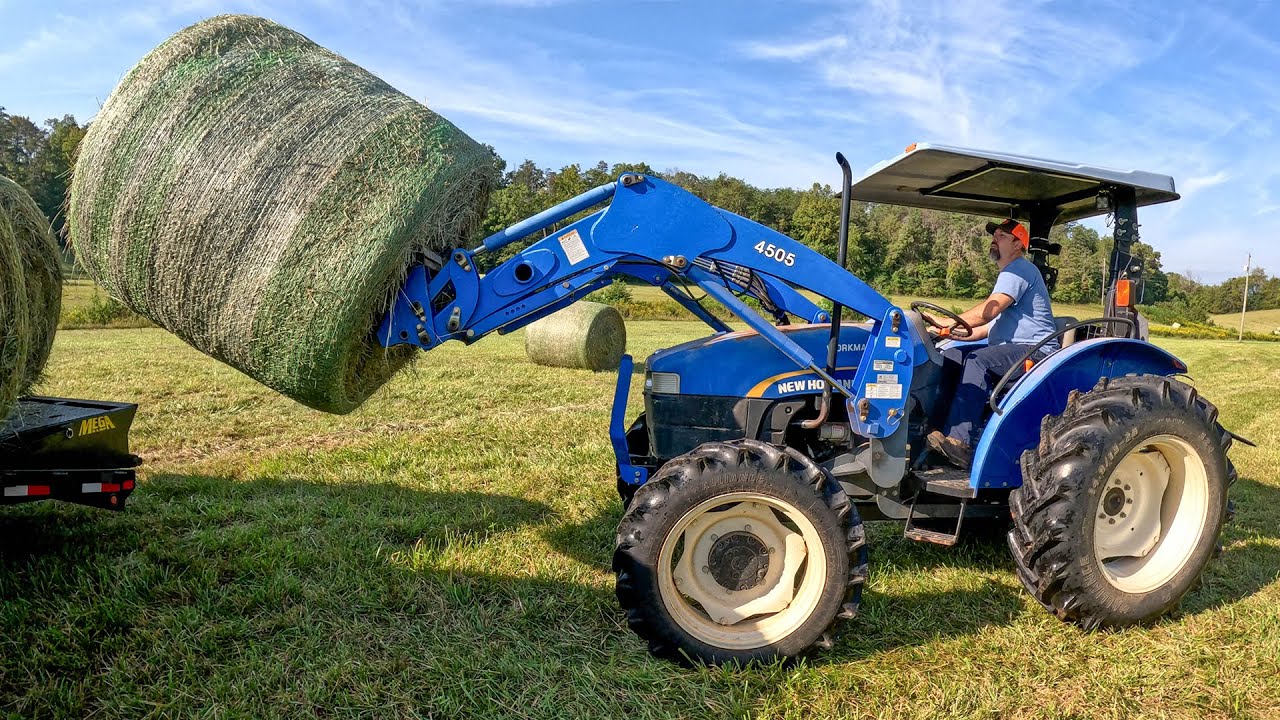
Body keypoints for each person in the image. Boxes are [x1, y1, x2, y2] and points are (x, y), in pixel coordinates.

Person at [925, 218, 1058, 469]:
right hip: (1012, 346)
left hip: (1037, 351)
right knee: (953, 357)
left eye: (1003, 236)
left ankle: (960, 443)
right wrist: (944, 332)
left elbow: (988, 311)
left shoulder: (1019, 270)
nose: (995, 238)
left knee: (978, 362)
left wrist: (946, 321)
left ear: (1018, 244)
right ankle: (937, 432)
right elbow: (987, 328)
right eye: (995, 234)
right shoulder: (1009, 275)